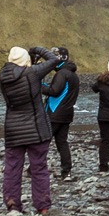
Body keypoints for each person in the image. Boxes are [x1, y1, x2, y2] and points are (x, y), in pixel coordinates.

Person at [0, 46, 63, 214]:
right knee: (39, 168)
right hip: (36, 128)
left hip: (13, 129)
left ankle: (12, 204)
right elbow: (55, 60)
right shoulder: (32, 73)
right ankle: (42, 206)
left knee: (12, 168)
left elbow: (20, 72)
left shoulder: (3, 75)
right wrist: (37, 49)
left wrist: (30, 59)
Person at [41, 45, 79, 178]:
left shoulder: (62, 74)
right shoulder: (72, 74)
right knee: (62, 142)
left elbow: (54, 91)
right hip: (67, 114)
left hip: (55, 113)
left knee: (44, 142)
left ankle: (34, 169)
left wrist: (39, 86)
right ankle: (66, 171)